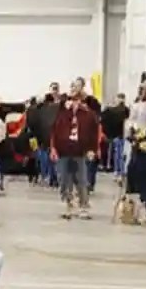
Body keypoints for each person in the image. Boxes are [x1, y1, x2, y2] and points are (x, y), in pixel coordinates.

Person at [51, 86, 100, 219]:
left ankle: (83, 206)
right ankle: (68, 205)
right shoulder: (62, 113)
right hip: (63, 151)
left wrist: (93, 149)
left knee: (81, 180)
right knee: (64, 180)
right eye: (71, 99)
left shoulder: (89, 115)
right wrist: (53, 148)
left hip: (80, 151)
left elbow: (94, 133)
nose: (74, 102)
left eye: (77, 99)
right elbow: (54, 131)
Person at [101, 93, 130, 178]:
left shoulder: (111, 110)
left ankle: (117, 170)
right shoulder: (126, 110)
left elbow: (104, 119)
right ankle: (120, 171)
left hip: (116, 135)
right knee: (120, 154)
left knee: (117, 153)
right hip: (122, 134)